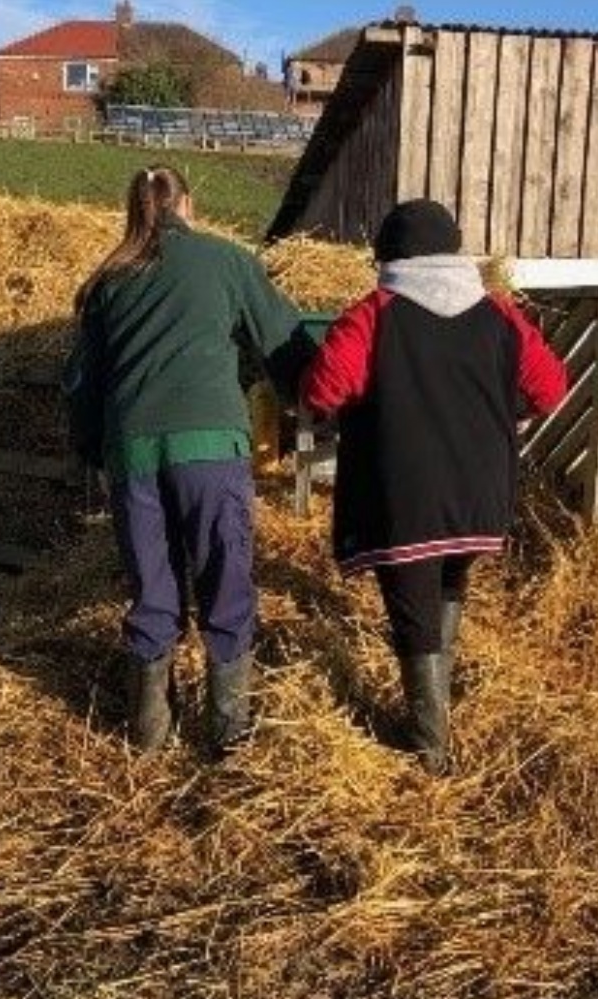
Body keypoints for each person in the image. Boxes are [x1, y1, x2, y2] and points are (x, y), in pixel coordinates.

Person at [302, 199, 568, 773]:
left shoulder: (374, 313)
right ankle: (435, 719)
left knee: (414, 617)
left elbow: (324, 390)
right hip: (479, 496)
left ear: (389, 258)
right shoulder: (500, 316)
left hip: (405, 495)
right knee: (448, 586)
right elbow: (550, 389)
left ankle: (430, 751)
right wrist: (502, 411)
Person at [64, 164, 312, 752]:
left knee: (152, 586)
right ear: (188, 205)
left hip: (133, 450)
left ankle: (149, 738)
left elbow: (81, 381)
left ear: (136, 209)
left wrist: (91, 448)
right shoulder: (226, 261)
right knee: (225, 577)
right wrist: (310, 399)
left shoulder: (108, 278)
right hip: (209, 448)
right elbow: (284, 341)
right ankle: (227, 738)